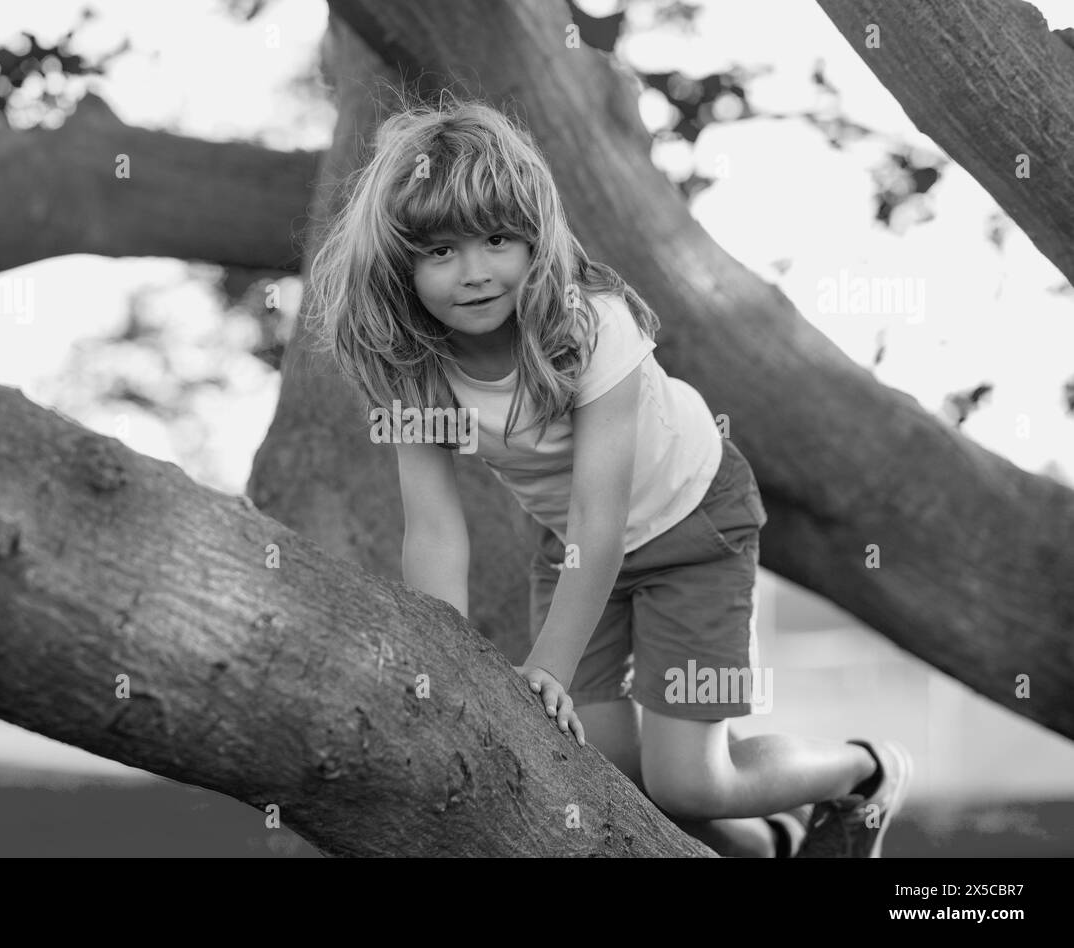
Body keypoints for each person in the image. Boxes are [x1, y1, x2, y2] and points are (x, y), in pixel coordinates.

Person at [303, 92, 911, 857]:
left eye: (497, 238)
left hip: (696, 525)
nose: (475, 272)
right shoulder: (416, 369)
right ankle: (776, 849)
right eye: (439, 251)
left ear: (533, 237)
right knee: (604, 763)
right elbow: (433, 528)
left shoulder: (590, 325)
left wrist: (547, 666)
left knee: (690, 780)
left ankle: (864, 773)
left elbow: (604, 517)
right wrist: (444, 662)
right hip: (577, 548)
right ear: (401, 261)